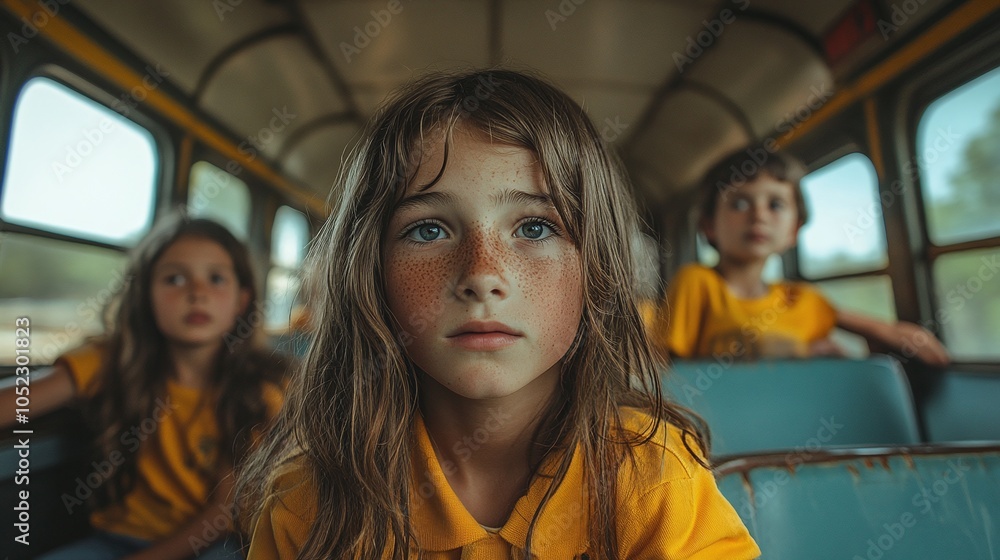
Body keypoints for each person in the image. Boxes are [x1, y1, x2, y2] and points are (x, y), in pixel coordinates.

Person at [236, 69, 760, 559]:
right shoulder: (309, 504)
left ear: (595, 269)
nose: (482, 273)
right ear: (371, 273)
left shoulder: (654, 481)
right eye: (429, 230)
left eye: (534, 227)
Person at [0, 216, 290, 559]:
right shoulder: (113, 361)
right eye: (175, 279)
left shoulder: (260, 391)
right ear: (145, 297)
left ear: (241, 300)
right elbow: (19, 400)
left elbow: (224, 512)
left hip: (214, 543)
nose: (197, 293)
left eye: (215, 278)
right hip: (115, 538)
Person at [655, 148, 950, 366]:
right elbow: (665, 366)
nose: (759, 216)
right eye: (740, 203)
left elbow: (875, 333)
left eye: (776, 205)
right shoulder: (696, 282)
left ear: (794, 230)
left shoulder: (801, 299)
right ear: (709, 225)